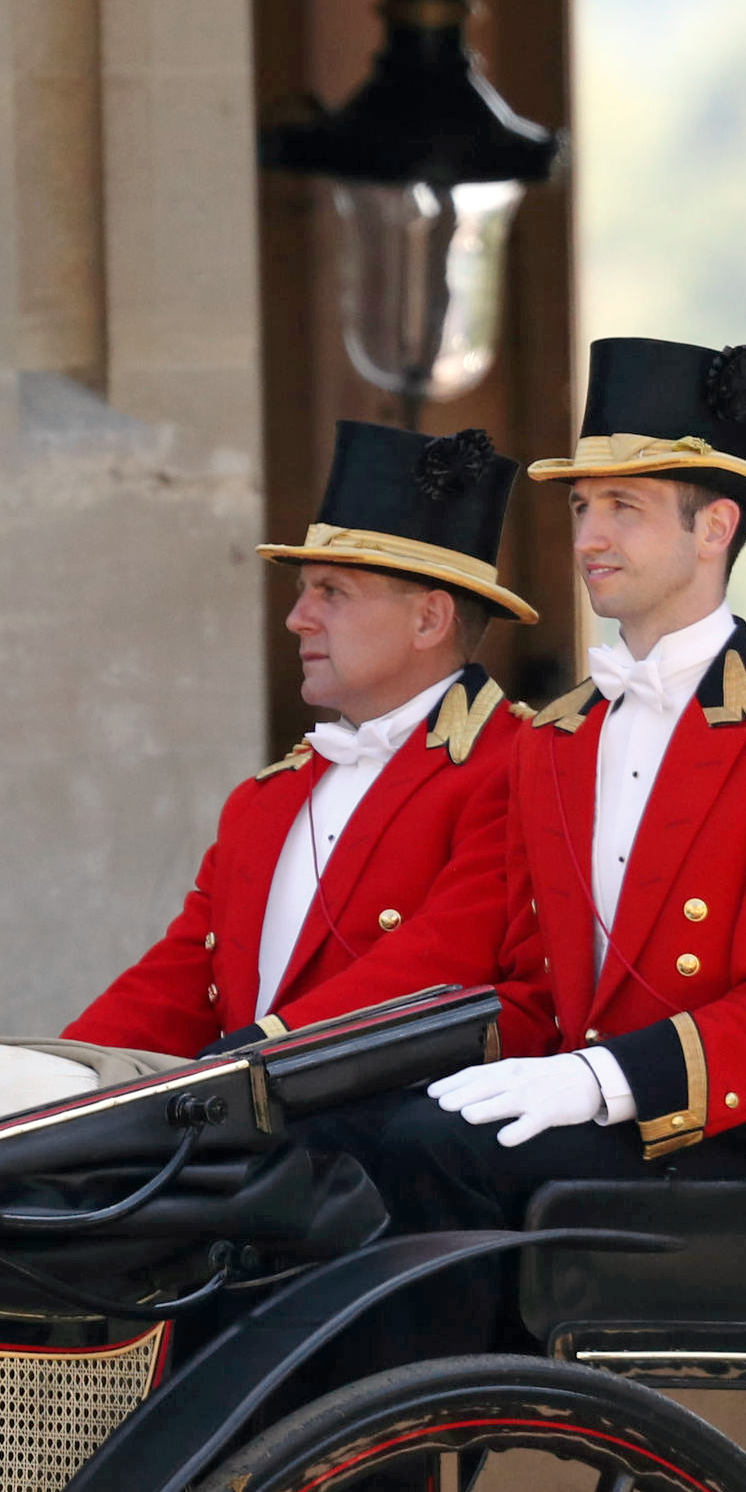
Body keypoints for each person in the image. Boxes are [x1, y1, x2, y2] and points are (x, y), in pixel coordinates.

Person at [383, 336, 746, 1223]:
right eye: (583, 507)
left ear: (714, 528)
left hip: (741, 1132)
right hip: (587, 1110)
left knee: (427, 1154)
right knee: (356, 1141)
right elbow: (530, 985)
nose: (590, 537)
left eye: (625, 506)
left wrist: (598, 1079)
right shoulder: (554, 740)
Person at [68, 421, 534, 1058]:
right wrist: (48, 1080)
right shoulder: (262, 801)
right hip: (258, 1141)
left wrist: (245, 1064)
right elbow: (173, 987)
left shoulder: (521, 768)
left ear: (429, 618)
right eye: (303, 591)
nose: (297, 618)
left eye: (332, 593)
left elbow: (437, 970)